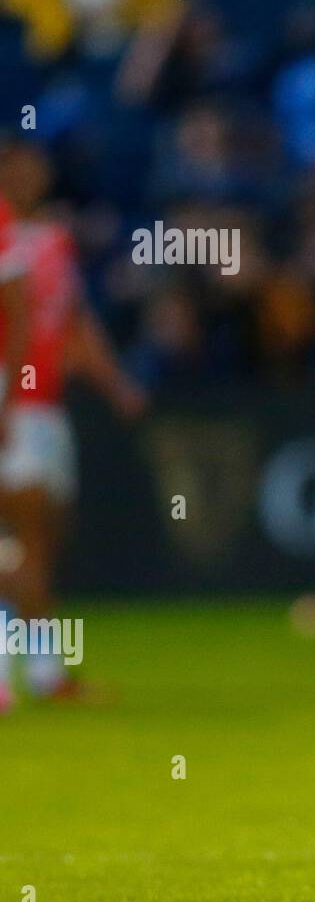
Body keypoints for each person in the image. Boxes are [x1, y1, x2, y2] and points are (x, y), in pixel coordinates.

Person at [0, 139, 147, 710]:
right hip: (20, 406)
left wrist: (116, 385)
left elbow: (73, 323)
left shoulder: (52, 241)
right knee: (25, 545)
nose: (33, 175)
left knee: (41, 545)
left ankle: (36, 675)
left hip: (46, 405)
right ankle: (38, 675)